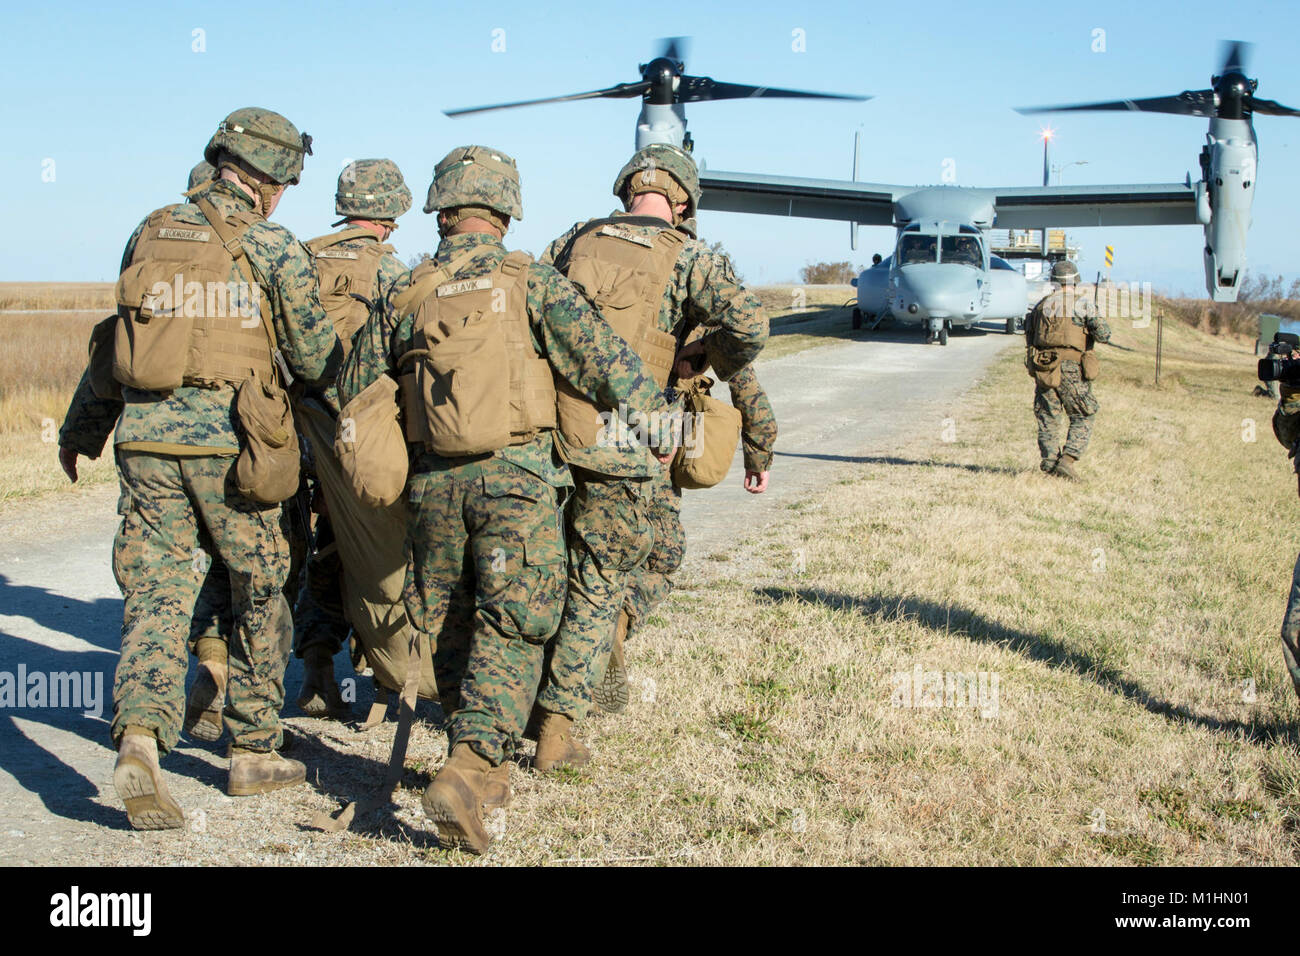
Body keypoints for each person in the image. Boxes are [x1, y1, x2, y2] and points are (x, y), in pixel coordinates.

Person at [337, 144, 674, 854]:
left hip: (431, 487)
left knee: (456, 621)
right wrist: (657, 420)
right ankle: (470, 766)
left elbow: (357, 390)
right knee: (514, 626)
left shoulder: (408, 291)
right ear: (505, 207)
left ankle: (476, 766)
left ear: (442, 209)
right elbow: (602, 360)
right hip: (516, 481)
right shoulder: (530, 280)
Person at [62, 107, 339, 829]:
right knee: (259, 588)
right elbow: (314, 360)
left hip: (146, 443)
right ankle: (251, 749)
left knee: (155, 593)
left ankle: (141, 739)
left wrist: (81, 432)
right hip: (234, 447)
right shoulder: (273, 245)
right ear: (271, 180)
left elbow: (110, 347)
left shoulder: (149, 230)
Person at [530, 144, 768, 765]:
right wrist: (703, 353)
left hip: (552, 428)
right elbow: (753, 328)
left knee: (545, 562)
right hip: (628, 439)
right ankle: (556, 731)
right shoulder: (692, 256)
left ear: (626, 189)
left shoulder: (571, 240)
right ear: (684, 199)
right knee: (603, 578)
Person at [292, 158, 414, 718]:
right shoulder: (388, 270)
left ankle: (316, 667)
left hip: (293, 428)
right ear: (390, 213)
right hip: (355, 431)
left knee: (311, 549)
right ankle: (390, 672)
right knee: (368, 549)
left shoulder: (299, 256)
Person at [594, 356, 776, 714]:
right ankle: (616, 622)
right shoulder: (693, 303)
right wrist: (759, 449)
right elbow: (742, 376)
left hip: (587, 430)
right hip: (657, 438)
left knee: (587, 544)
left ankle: (575, 639)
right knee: (662, 551)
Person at [1024, 259, 1110, 480]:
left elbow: (1029, 335)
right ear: (1076, 280)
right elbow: (1104, 334)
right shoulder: (1082, 304)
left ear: (1054, 281)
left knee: (1047, 416)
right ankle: (1067, 460)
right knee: (1083, 414)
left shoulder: (1041, 305)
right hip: (1071, 367)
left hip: (1044, 366)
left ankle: (1050, 461)